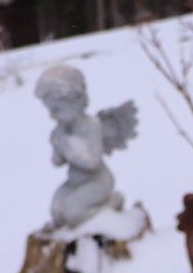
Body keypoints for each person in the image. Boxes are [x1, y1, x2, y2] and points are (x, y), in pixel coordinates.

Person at [35, 65, 136, 228]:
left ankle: (111, 204)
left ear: (76, 102)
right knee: (57, 211)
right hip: (74, 183)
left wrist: (65, 143)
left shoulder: (91, 125)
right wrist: (56, 147)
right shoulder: (62, 129)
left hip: (98, 181)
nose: (52, 115)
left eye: (57, 109)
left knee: (73, 213)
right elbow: (57, 162)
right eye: (50, 110)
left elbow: (92, 162)